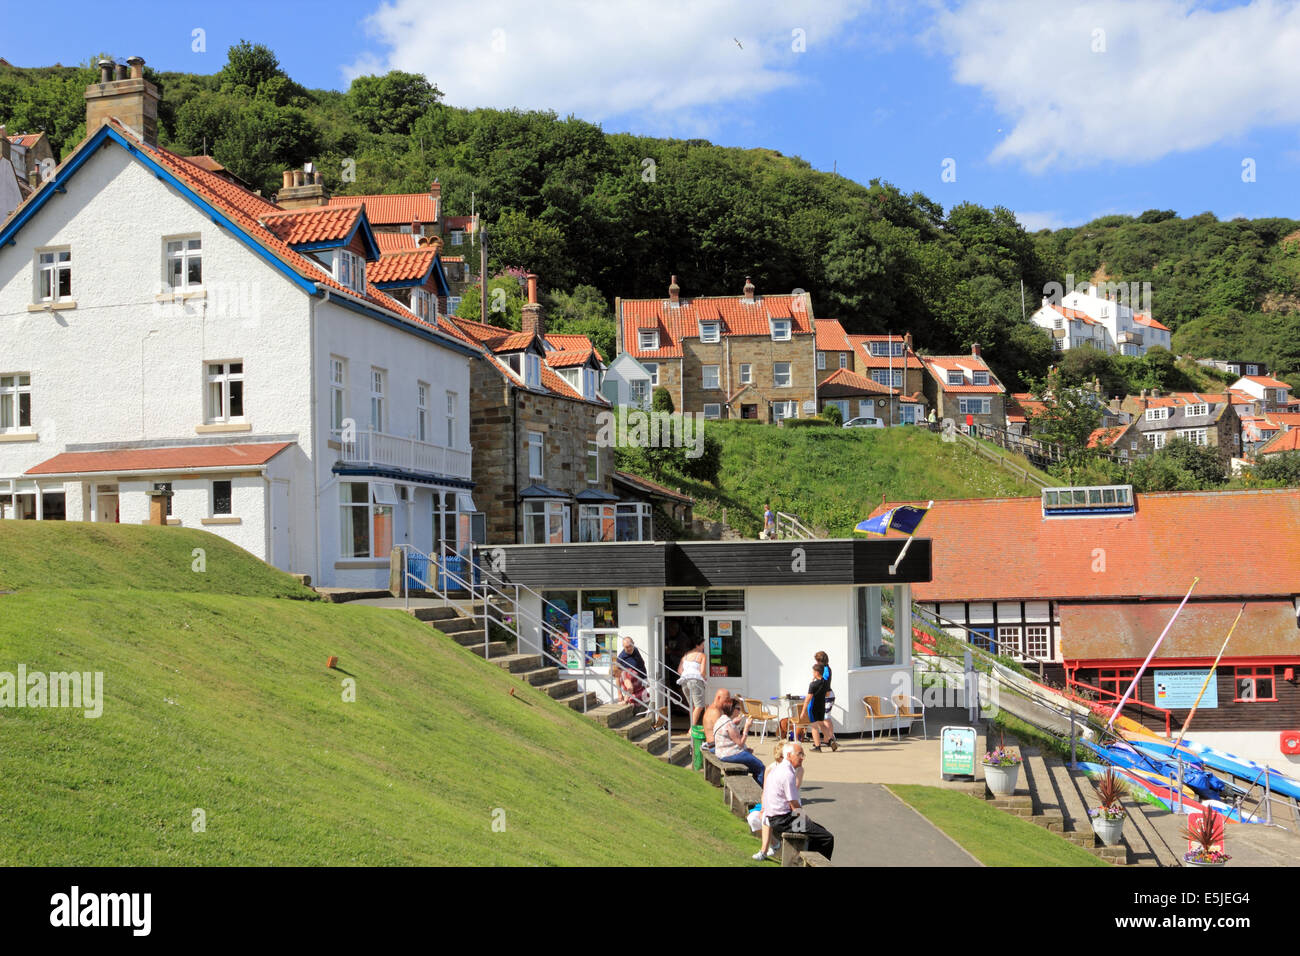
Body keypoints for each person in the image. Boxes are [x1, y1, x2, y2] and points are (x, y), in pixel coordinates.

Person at [763, 742, 834, 860]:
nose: (802, 758)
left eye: (803, 755)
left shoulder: (778, 769)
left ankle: (805, 861)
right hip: (783, 820)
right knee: (827, 838)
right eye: (799, 754)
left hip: (776, 817)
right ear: (789, 755)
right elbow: (794, 805)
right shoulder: (787, 773)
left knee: (819, 832)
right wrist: (806, 820)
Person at [714, 699, 765, 786]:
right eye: (738, 708)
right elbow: (740, 743)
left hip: (721, 752)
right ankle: (757, 794)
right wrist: (747, 727)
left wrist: (734, 723)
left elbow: (728, 737)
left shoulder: (721, 720)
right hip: (729, 755)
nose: (740, 711)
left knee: (749, 758)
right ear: (732, 709)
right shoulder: (729, 724)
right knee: (760, 767)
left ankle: (753, 787)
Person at [752, 742, 788, 861]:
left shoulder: (793, 770)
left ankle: (763, 851)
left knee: (766, 818)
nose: (781, 760)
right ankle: (774, 843)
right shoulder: (770, 768)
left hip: (783, 806)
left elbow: (791, 794)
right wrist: (763, 807)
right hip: (769, 803)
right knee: (753, 818)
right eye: (779, 758)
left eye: (783, 757)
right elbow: (765, 791)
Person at [802, 664, 837, 752]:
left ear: (817, 672)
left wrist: (803, 710)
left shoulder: (813, 684)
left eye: (813, 672)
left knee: (814, 727)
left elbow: (808, 698)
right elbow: (827, 694)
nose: (812, 673)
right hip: (822, 706)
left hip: (813, 707)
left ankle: (817, 747)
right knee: (822, 725)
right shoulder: (825, 682)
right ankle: (830, 740)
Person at [678, 634, 708, 729]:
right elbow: (702, 672)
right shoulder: (702, 656)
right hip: (695, 682)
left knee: (693, 707)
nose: (703, 647)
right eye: (702, 645)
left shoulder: (685, 656)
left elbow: (679, 671)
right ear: (697, 645)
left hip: (684, 682)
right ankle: (692, 729)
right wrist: (704, 677)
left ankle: (692, 726)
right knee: (699, 706)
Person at [813, 651, 838, 747]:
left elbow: (825, 682)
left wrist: (824, 692)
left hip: (827, 695)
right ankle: (828, 738)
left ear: (820, 660)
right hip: (827, 695)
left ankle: (830, 739)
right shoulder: (825, 668)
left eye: (817, 660)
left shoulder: (826, 669)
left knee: (826, 718)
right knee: (826, 718)